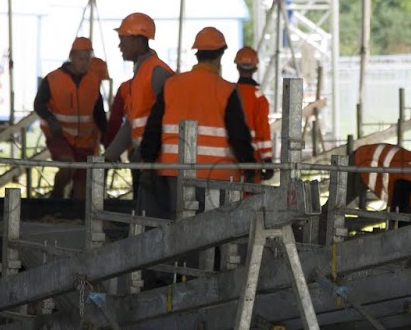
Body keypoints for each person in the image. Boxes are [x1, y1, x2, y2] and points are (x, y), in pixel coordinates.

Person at [138, 27, 258, 220]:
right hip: (217, 176)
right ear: (220, 56)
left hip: (174, 172)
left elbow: (153, 128)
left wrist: (147, 159)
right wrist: (249, 166)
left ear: (197, 54)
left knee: (179, 228)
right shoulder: (226, 89)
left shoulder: (172, 85)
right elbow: (239, 136)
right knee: (213, 231)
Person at [103, 13, 174, 218]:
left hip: (156, 162)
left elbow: (169, 119)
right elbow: (131, 123)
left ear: (139, 40)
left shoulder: (157, 73)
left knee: (154, 218)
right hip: (145, 159)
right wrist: (108, 157)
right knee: (146, 217)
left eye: (123, 40)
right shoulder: (142, 73)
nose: (120, 46)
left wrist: (148, 158)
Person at [33, 36, 107, 200]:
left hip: (84, 140)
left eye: (88, 58)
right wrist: (51, 120)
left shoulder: (93, 81)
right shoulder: (53, 79)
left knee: (82, 185)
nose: (85, 63)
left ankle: (75, 212)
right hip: (60, 135)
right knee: (67, 165)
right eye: (81, 58)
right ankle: (56, 199)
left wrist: (107, 139)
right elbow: (39, 104)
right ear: (71, 57)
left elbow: (99, 113)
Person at [351, 141, 411, 216]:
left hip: (368, 158)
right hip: (360, 162)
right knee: (340, 204)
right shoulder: (409, 181)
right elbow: (398, 215)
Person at [232, 46, 274, 167]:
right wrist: (267, 159)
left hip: (228, 159)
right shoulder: (259, 98)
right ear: (255, 68)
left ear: (237, 67)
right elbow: (263, 131)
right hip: (252, 160)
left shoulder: (227, 93)